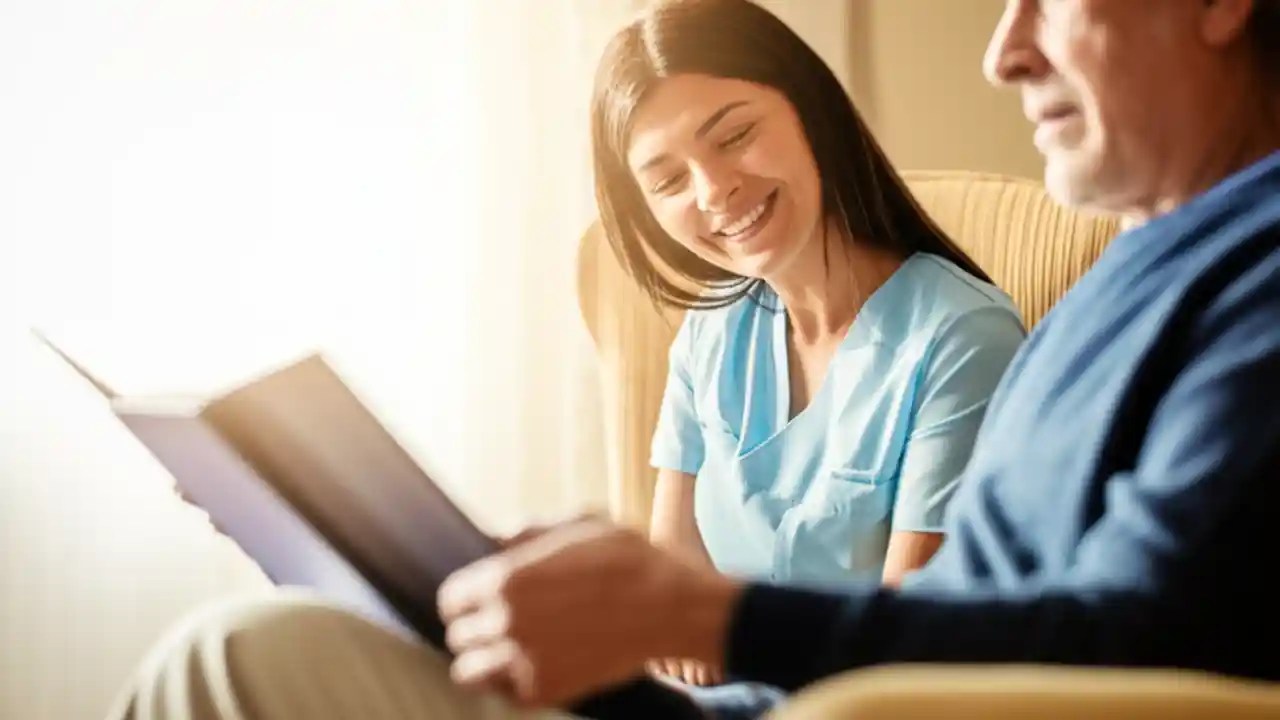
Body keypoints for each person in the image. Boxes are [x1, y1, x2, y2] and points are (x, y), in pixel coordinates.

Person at [107, 0, 1280, 718]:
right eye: (665, 177)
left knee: (232, 663)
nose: (998, 55)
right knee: (274, 638)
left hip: (817, 707)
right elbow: (670, 604)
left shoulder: (1166, 294)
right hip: (740, 700)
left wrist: (709, 621)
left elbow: (1122, 636)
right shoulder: (1131, 277)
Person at [588, 0, 1023, 690]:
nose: (714, 190)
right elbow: (674, 577)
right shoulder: (710, 332)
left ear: (809, 110)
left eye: (733, 135)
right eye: (669, 180)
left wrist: (712, 635)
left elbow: (905, 653)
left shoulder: (962, 338)